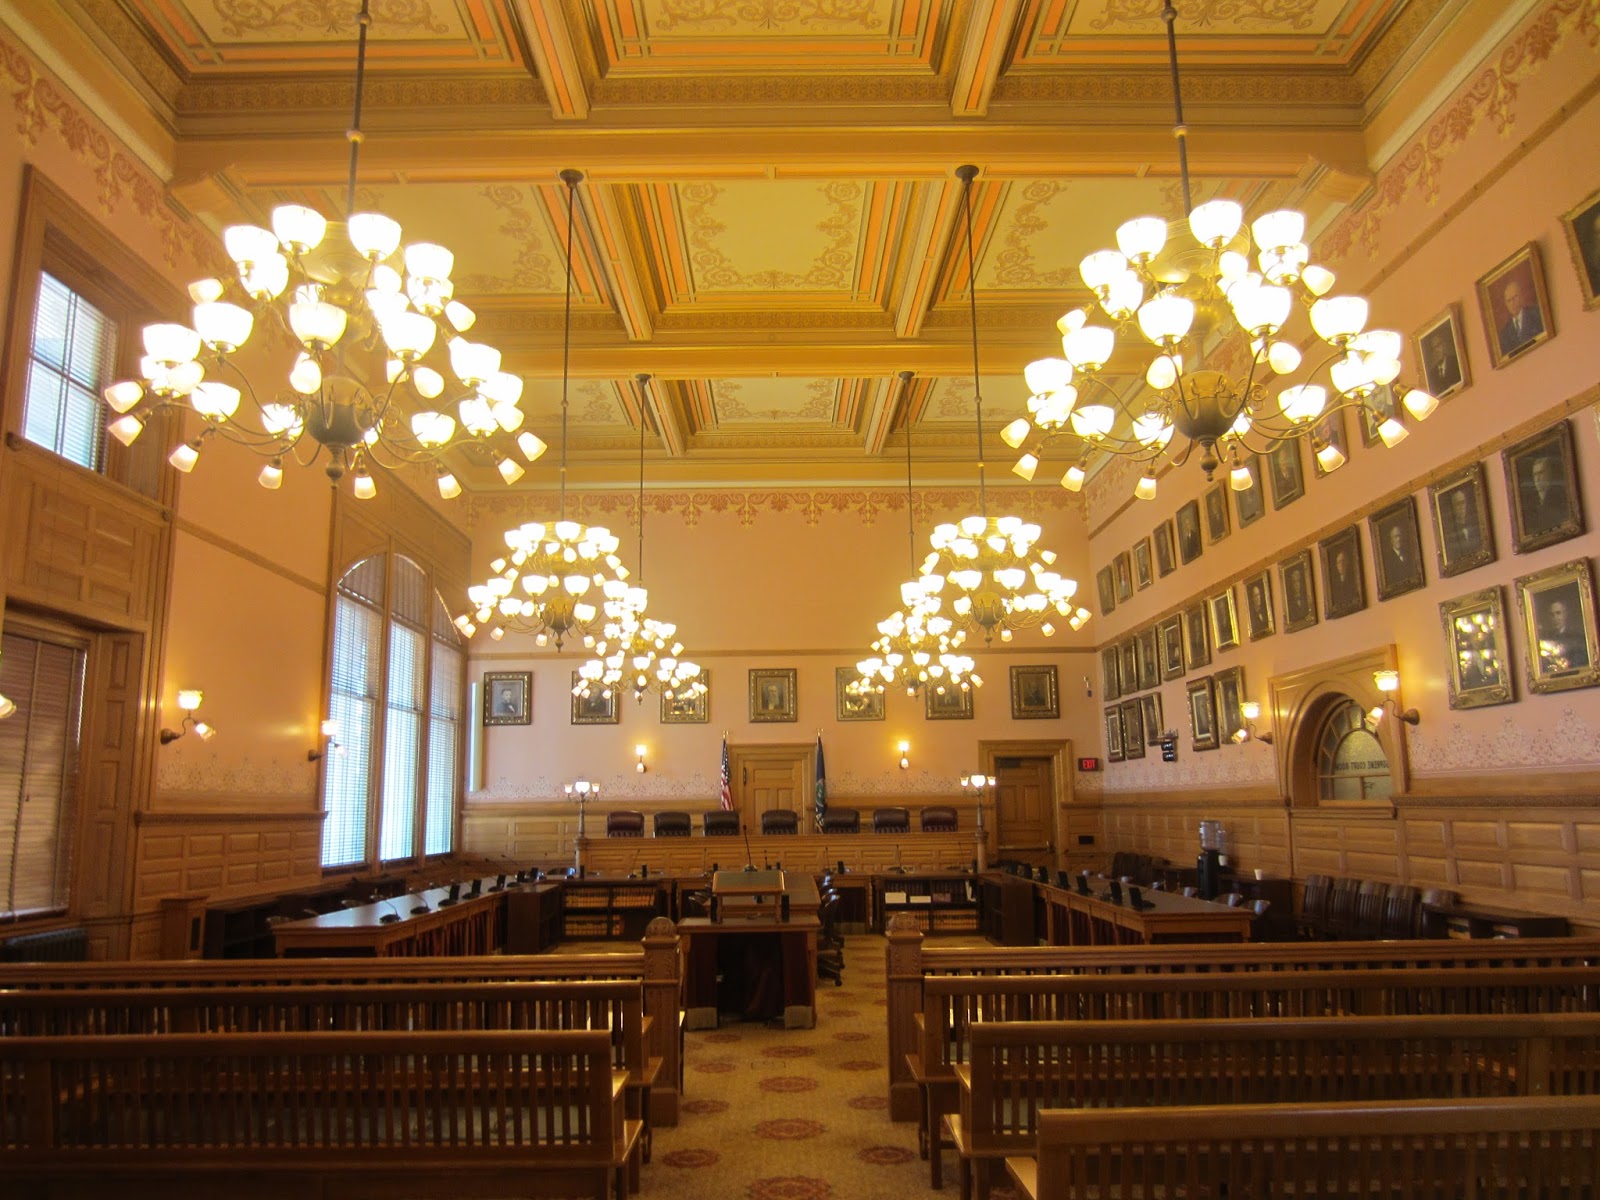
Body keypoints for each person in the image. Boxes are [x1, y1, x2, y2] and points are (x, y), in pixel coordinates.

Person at [1537, 594, 1590, 674]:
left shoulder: (1577, 638)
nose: (1555, 618)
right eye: (1552, 614)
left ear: (1565, 614)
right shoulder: (1545, 640)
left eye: (1558, 613)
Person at [1519, 453, 1568, 536]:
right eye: (1535, 475)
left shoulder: (1561, 502)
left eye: (1541, 473)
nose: (1537, 479)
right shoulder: (1530, 507)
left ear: (1550, 474)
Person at [1497, 276, 1544, 357]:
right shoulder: (1504, 333)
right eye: (1509, 300)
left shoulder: (1536, 314)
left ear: (1521, 296)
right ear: (1506, 304)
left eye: (1515, 297)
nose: (1512, 303)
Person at [1440, 486, 1481, 563]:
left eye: (1463, 503)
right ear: (1453, 508)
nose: (1461, 507)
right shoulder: (1449, 535)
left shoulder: (1476, 528)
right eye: (1458, 504)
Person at [1421, 324, 1461, 395]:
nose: (1437, 350)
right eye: (1434, 348)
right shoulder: (1432, 375)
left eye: (1438, 345)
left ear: (1444, 345)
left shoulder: (1456, 362)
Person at [1379, 522, 1415, 587]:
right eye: (1396, 537)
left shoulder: (1411, 555)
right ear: (1391, 540)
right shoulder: (1387, 560)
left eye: (1400, 536)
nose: (1399, 539)